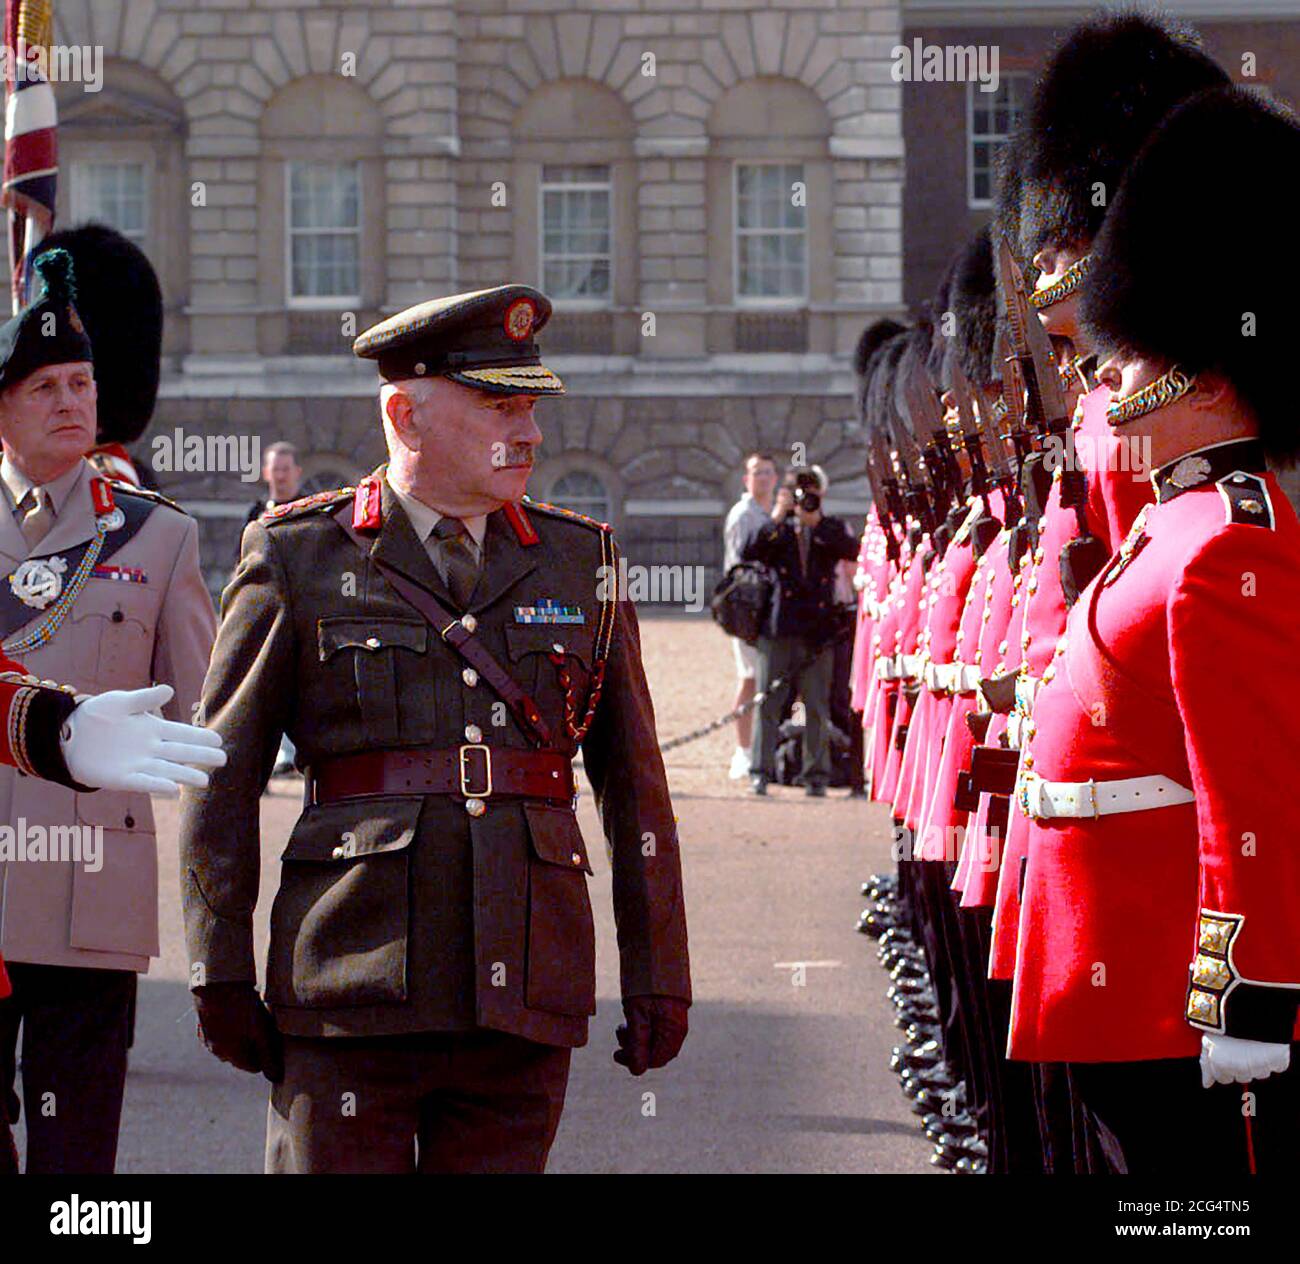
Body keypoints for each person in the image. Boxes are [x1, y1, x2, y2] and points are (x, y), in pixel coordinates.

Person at [178, 283, 691, 1174]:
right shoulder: (299, 555)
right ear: (405, 416)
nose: (528, 432)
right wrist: (215, 963)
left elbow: (635, 787)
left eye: (530, 406)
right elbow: (223, 775)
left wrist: (659, 969)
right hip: (351, 979)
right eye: (499, 407)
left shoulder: (583, 560)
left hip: (524, 985)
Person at [1010, 84, 1300, 1174]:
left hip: (1169, 987)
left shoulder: (1229, 539)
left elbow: (1254, 791)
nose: (1107, 378)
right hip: (1114, 973)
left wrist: (1248, 988)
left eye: (1134, 353)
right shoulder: (1173, 527)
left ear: (1208, 371)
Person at [0, 249, 219, 1175]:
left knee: (78, 1156)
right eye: (44, 385)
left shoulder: (160, 535)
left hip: (92, 889)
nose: (70, 401)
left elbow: (208, 714)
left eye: (82, 382)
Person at [742, 466, 858, 796]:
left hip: (817, 633)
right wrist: (777, 516)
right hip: (778, 629)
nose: (803, 500)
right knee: (768, 702)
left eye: (809, 494)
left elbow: (851, 549)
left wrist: (817, 522)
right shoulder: (777, 530)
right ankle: (760, 771)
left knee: (817, 705)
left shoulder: (828, 528)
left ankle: (816, 775)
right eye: (796, 493)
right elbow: (749, 551)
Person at [722, 451, 777, 778]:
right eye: (757, 473)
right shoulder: (743, 515)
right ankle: (742, 751)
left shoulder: (770, 511)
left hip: (770, 607)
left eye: (768, 472)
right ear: (747, 479)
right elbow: (740, 564)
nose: (763, 478)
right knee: (750, 677)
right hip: (748, 607)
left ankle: (760, 747)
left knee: (766, 678)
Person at [244, 441, 303, 531]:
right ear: (266, 473)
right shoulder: (256, 514)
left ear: (298, 472)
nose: (280, 476)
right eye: (275, 469)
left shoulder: (308, 510)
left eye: (286, 469)